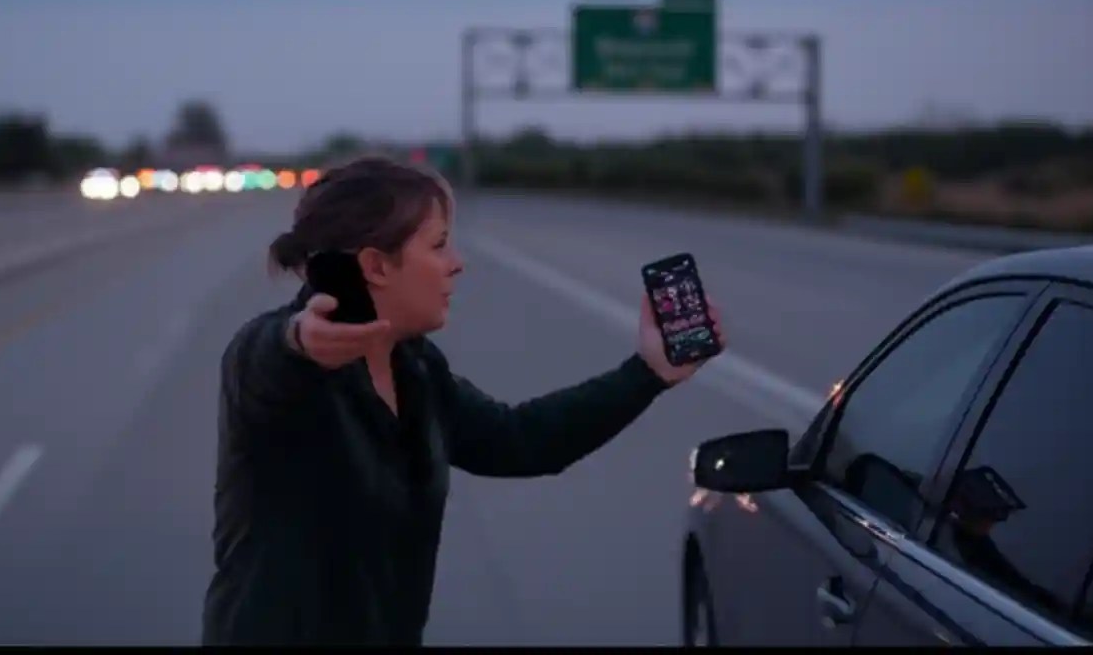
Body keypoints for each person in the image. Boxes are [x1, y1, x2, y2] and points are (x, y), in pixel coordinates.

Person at [201, 154, 727, 646]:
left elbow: (520, 441)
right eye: (438, 245)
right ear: (376, 266)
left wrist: (648, 373)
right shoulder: (279, 365)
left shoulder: (417, 367)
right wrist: (297, 341)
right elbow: (263, 360)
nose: (458, 264)